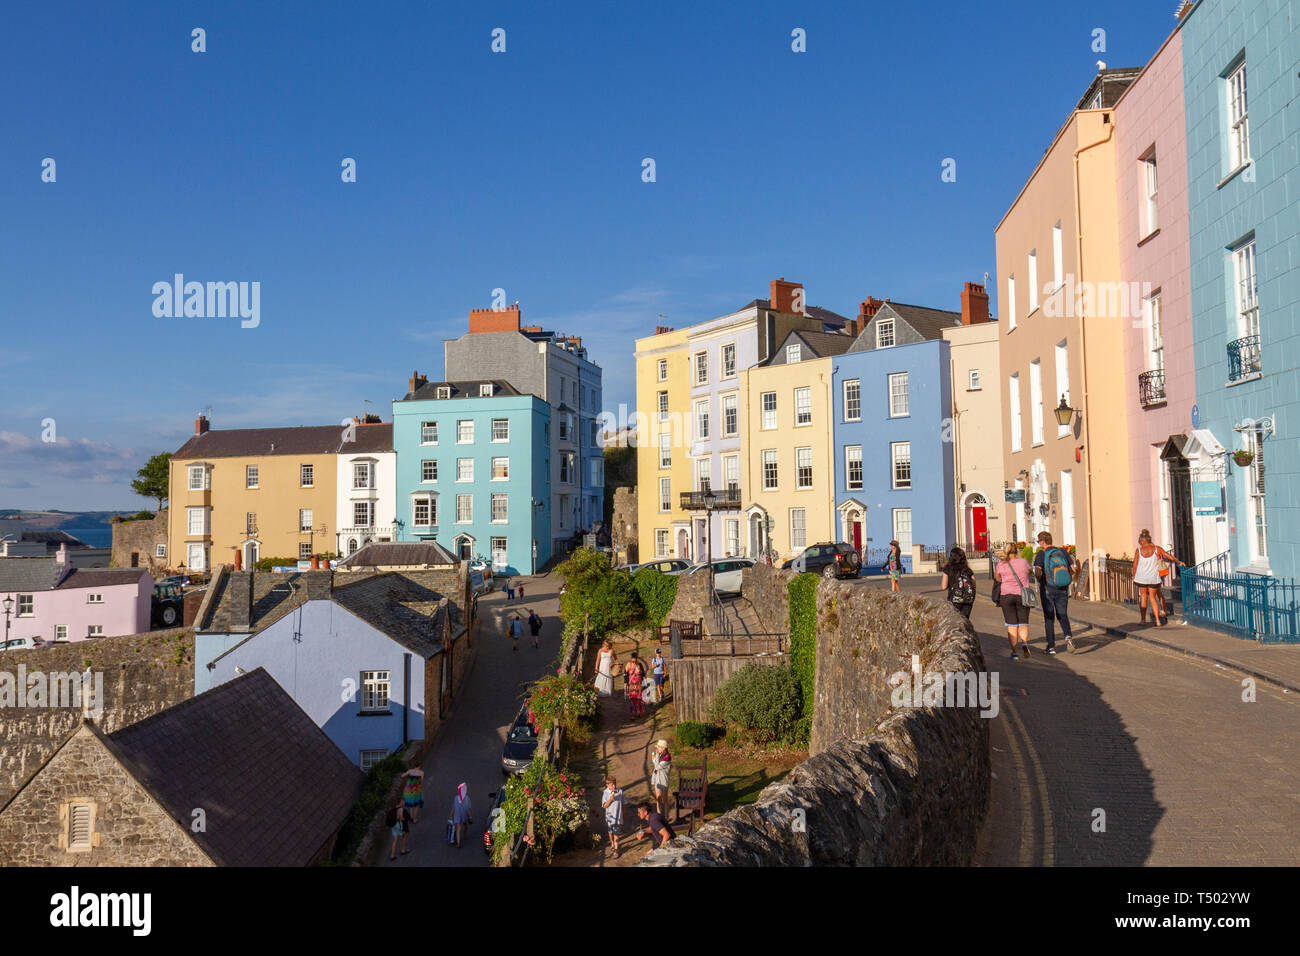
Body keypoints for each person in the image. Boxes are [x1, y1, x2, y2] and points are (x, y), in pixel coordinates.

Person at [1033, 531, 1079, 654]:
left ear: (1042, 542)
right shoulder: (1063, 552)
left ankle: (1051, 647)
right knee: (1062, 614)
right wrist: (1065, 579)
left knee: (1049, 618)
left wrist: (1039, 580)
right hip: (1062, 588)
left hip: (1047, 589)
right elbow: (1073, 569)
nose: (1039, 544)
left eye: (1039, 541)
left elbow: (1038, 572)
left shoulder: (1041, 554)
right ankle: (1068, 637)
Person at [1133, 529, 1185, 627]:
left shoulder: (1139, 551)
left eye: (1140, 542)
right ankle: (1157, 621)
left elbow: (1135, 565)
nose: (1140, 544)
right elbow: (1169, 557)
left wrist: (1133, 576)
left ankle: (1143, 620)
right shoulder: (1157, 549)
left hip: (1142, 578)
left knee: (1143, 597)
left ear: (1142, 541)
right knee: (1153, 598)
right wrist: (1179, 562)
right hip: (1153, 578)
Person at [995, 542, 1034, 660]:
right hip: (1022, 595)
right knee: (1023, 623)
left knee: (1012, 625)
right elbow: (1029, 572)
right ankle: (1025, 644)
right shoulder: (1024, 562)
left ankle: (1015, 653)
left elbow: (998, 578)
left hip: (1007, 595)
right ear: (1016, 551)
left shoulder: (1001, 564)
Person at [939, 546, 976, 621]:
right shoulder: (968, 570)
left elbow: (943, 586)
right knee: (965, 621)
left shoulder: (948, 569)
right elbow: (974, 585)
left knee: (955, 621)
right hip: (968, 600)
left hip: (954, 600)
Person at [601, 777, 626, 857]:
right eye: (612, 785)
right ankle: (612, 843)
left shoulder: (620, 791)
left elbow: (624, 803)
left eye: (614, 784)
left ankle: (616, 850)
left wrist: (624, 813)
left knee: (616, 833)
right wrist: (610, 800)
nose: (614, 786)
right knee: (610, 832)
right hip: (609, 818)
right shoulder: (605, 793)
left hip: (618, 817)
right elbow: (604, 806)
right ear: (607, 785)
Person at [650, 740, 671, 816]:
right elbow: (654, 761)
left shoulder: (667, 757)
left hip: (663, 780)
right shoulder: (659, 754)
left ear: (663, 748)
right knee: (658, 799)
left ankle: (666, 816)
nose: (657, 748)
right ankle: (659, 816)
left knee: (664, 800)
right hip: (657, 779)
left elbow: (657, 766)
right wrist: (656, 756)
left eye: (658, 747)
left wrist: (655, 757)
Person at [451, 782, 472, 848]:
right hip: (464, 814)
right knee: (465, 825)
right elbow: (468, 809)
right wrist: (470, 816)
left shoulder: (455, 798)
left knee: (458, 828)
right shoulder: (467, 798)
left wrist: (451, 815)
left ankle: (458, 843)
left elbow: (453, 808)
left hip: (457, 815)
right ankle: (464, 835)